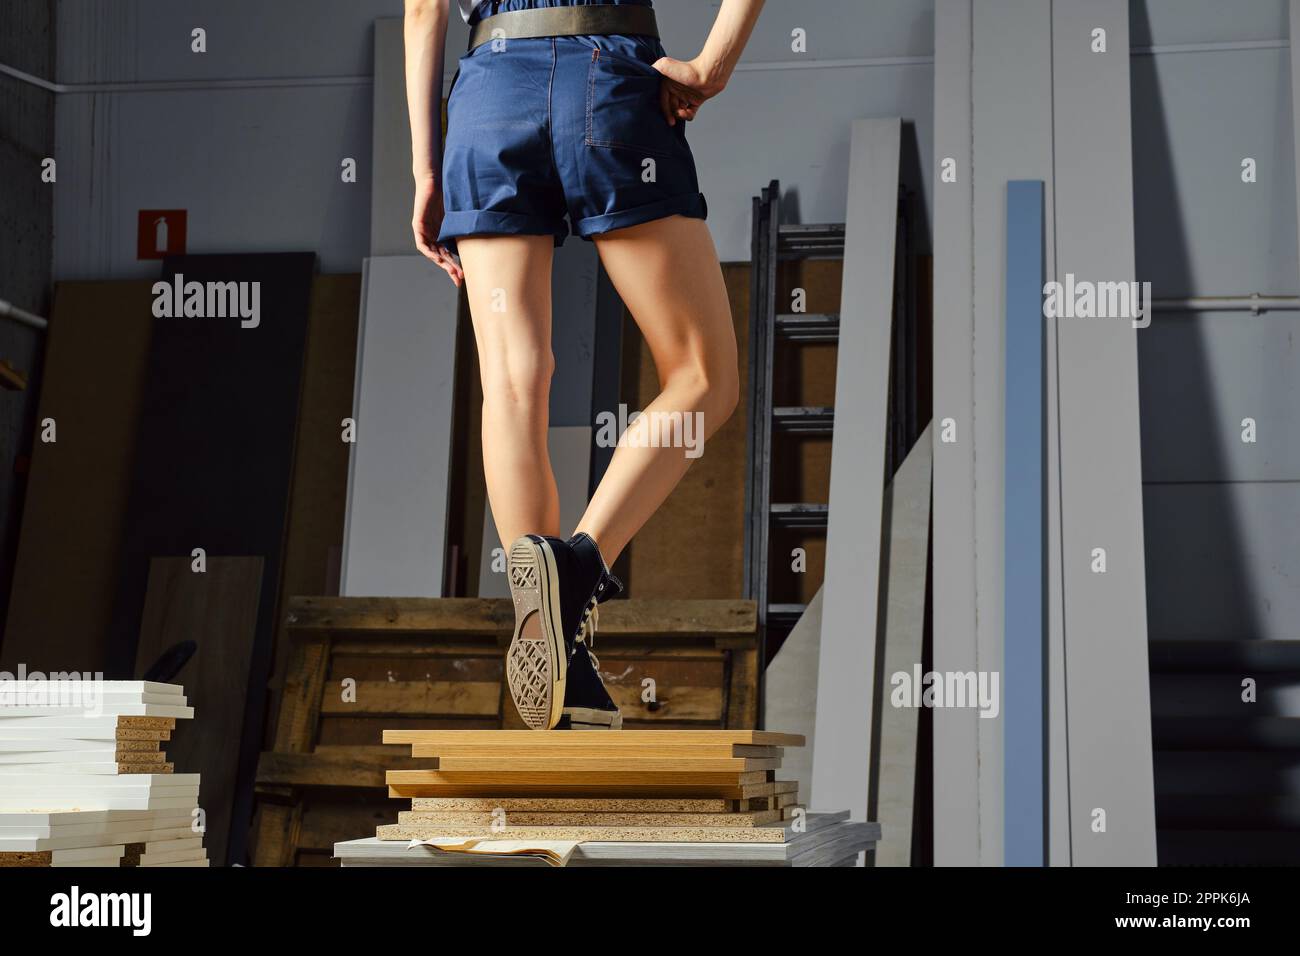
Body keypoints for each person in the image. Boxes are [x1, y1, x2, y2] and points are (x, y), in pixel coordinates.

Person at [404, 0, 764, 729]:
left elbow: (422, 10)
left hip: (487, 97)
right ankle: (576, 567)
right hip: (607, 84)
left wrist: (425, 166)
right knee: (704, 376)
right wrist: (711, 67)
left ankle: (552, 637)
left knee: (512, 384)